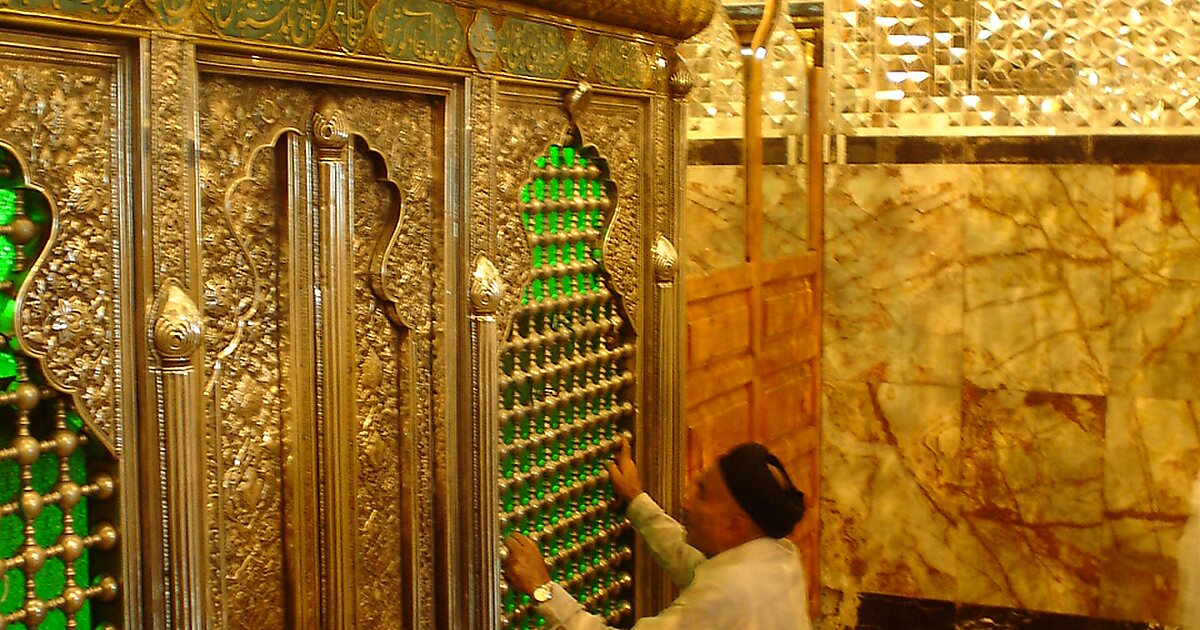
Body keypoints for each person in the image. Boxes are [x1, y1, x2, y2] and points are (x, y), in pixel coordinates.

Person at [503, 438, 811, 629]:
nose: (686, 502)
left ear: (735, 525)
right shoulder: (778, 556)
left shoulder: (726, 596)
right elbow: (690, 563)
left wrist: (542, 588)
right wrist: (637, 502)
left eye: (702, 494)